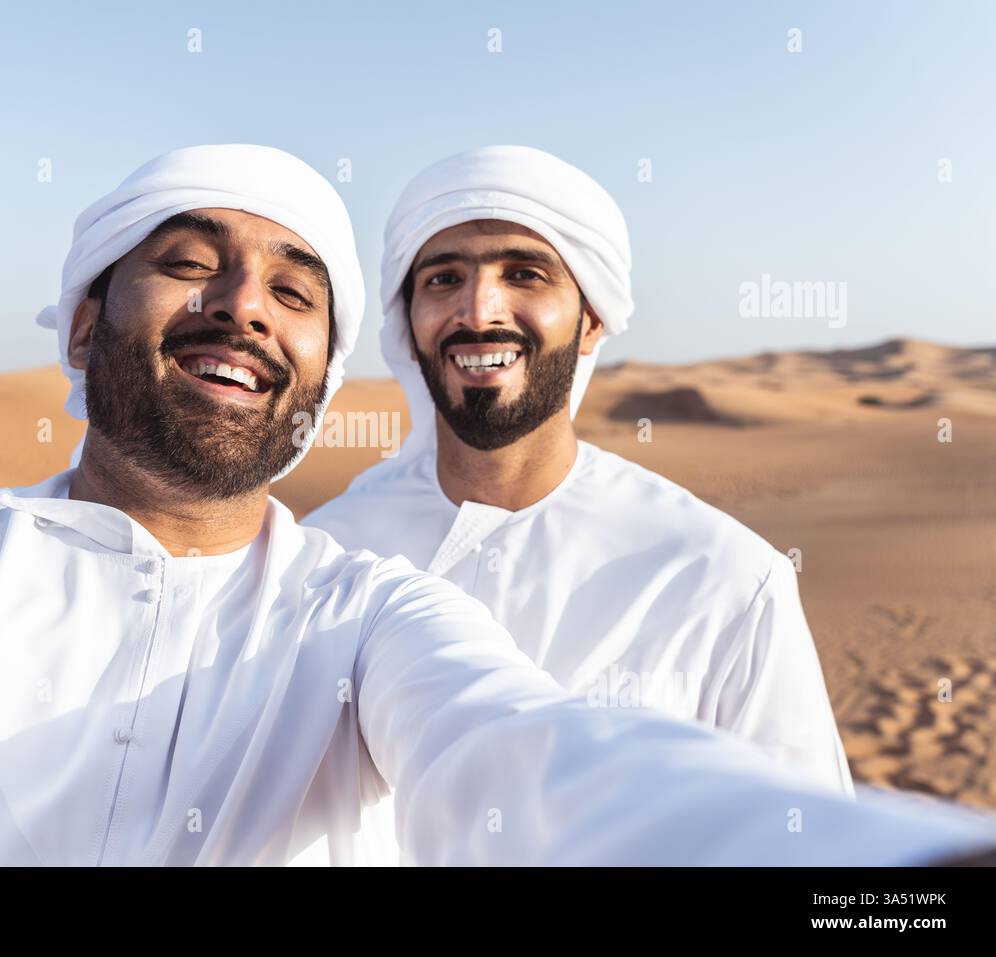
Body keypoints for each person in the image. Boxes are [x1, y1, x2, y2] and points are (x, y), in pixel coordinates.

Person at [0, 145, 991, 866]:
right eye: (190, 263)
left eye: (291, 292)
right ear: (87, 319)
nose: (243, 305)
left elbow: (536, 755)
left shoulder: (364, 617)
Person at [306, 145, 853, 798]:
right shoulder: (324, 556)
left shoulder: (724, 577)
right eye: (443, 279)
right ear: (412, 323)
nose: (479, 311)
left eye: (525, 274)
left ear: (592, 319)